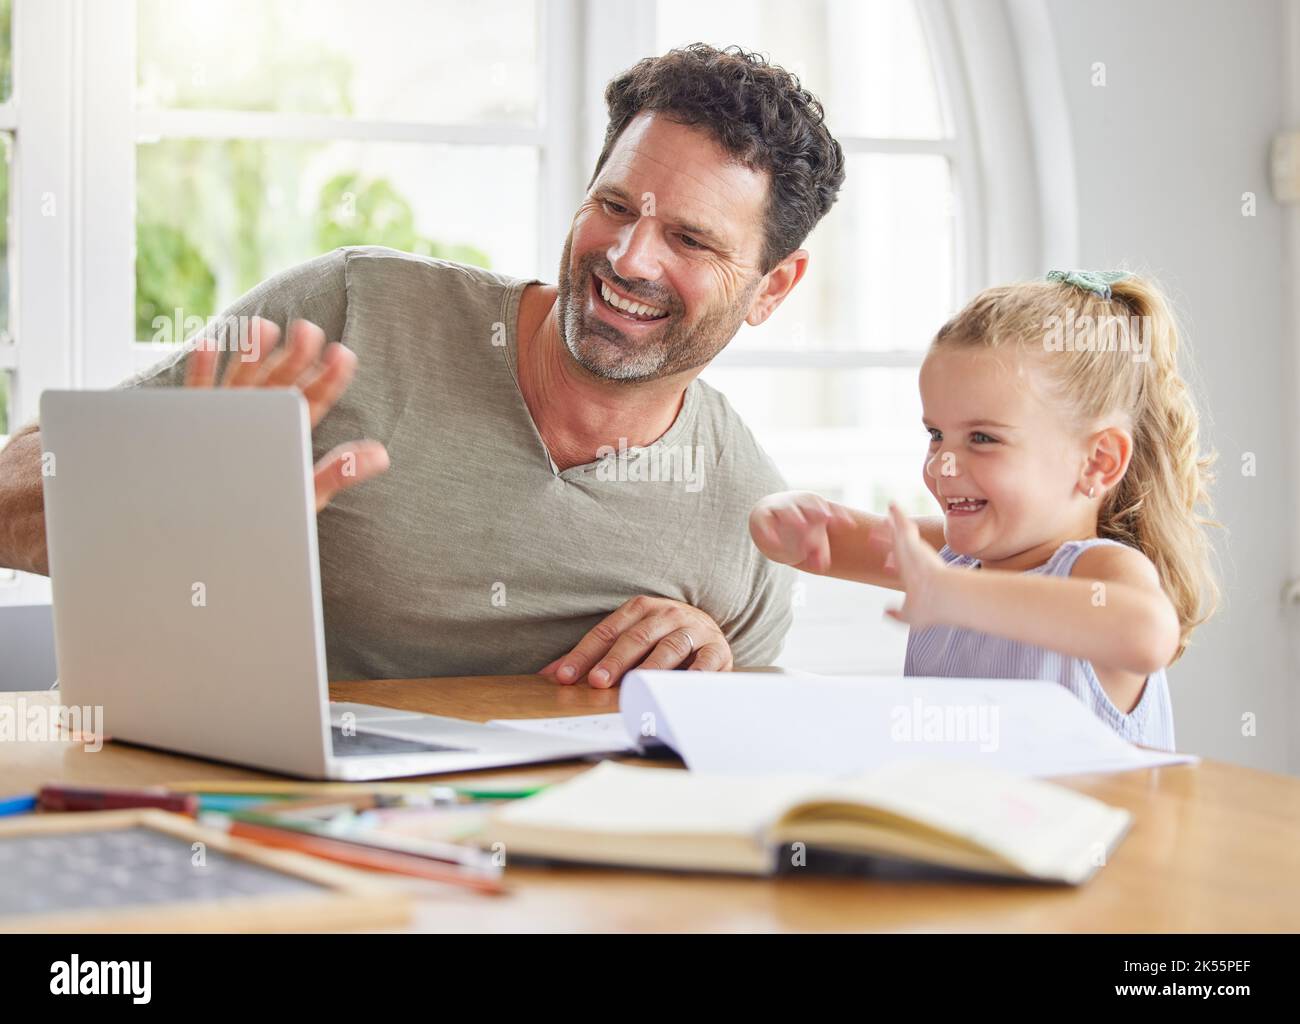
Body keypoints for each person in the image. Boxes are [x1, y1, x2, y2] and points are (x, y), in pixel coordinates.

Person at [0, 44, 846, 687]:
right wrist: (174, 489)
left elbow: (735, 801)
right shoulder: (347, 315)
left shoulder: (746, 527)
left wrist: (710, 684)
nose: (628, 258)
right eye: (614, 206)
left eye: (690, 240)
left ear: (773, 287)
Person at [750, 271, 1218, 748]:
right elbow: (824, 540)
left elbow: (1148, 634)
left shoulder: (1096, 571)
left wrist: (952, 593)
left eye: (983, 438)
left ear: (1098, 461)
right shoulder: (947, 558)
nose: (943, 465)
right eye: (936, 434)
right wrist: (780, 514)